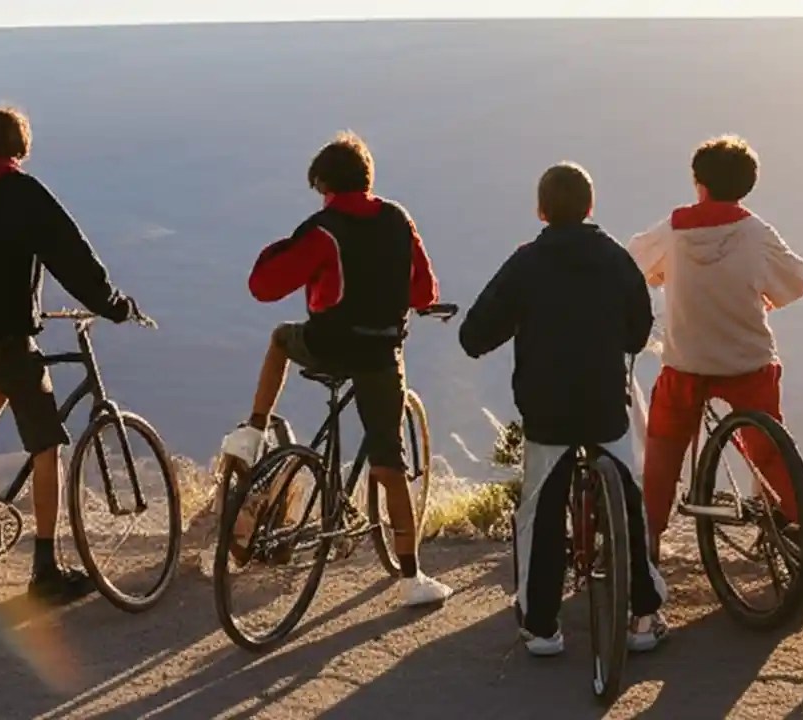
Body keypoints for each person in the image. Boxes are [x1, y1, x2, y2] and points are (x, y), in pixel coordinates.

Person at [218, 131, 452, 607]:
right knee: (390, 464)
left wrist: (280, 248)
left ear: (324, 184)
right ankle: (412, 579)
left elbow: (263, 286)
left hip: (329, 347)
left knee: (282, 338)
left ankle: (255, 429)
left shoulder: (323, 228)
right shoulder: (398, 220)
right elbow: (424, 294)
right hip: (382, 356)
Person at [0, 107, 143, 605]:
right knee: (47, 445)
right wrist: (111, 305)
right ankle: (46, 571)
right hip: (2, 330)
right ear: (20, 149)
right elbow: (70, 252)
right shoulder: (24, 192)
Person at [459, 161, 668, 657]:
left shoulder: (526, 262)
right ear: (590, 207)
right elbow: (640, 330)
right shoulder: (616, 258)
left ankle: (541, 625)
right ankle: (643, 613)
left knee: (540, 511)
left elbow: (474, 336)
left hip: (547, 407)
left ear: (541, 210)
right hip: (603, 401)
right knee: (630, 500)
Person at [627, 135, 803, 561]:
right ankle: (798, 523)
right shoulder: (755, 231)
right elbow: (796, 279)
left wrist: (663, 277)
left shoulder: (673, 228)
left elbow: (634, 260)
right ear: (748, 185)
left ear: (698, 183)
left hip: (687, 362)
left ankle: (648, 540)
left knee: (664, 450)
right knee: (768, 448)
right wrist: (767, 296)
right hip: (749, 363)